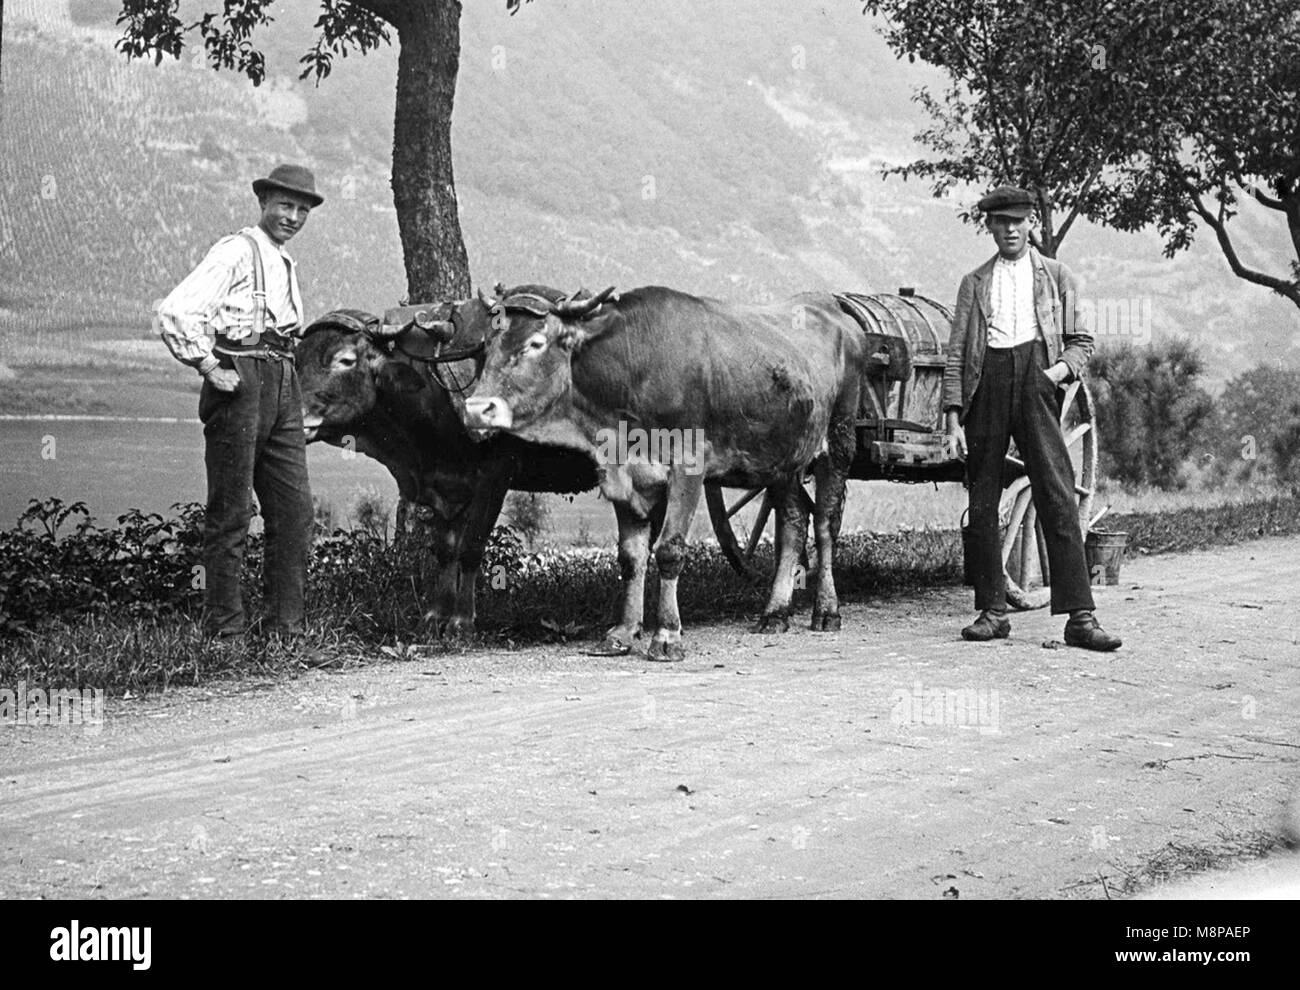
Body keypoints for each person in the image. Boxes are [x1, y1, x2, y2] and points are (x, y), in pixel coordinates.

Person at [943, 185, 1121, 651]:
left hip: (1037, 380)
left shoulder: (1057, 276)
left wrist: (1053, 374)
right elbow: (958, 354)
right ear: (990, 228)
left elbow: (1082, 341)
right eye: (1001, 223)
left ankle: (1080, 618)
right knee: (982, 501)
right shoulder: (974, 282)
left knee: (1058, 494)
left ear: (1030, 225)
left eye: (1018, 222)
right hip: (989, 384)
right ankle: (992, 612)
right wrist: (954, 416)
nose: (1010, 230)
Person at [157, 164, 323, 643]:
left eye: (302, 209)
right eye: (284, 205)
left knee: (294, 512)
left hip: (282, 380)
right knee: (231, 513)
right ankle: (225, 636)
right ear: (264, 203)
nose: (292, 216)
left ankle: (285, 634)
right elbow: (176, 312)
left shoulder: (282, 259)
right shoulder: (236, 250)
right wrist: (210, 367)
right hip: (241, 377)